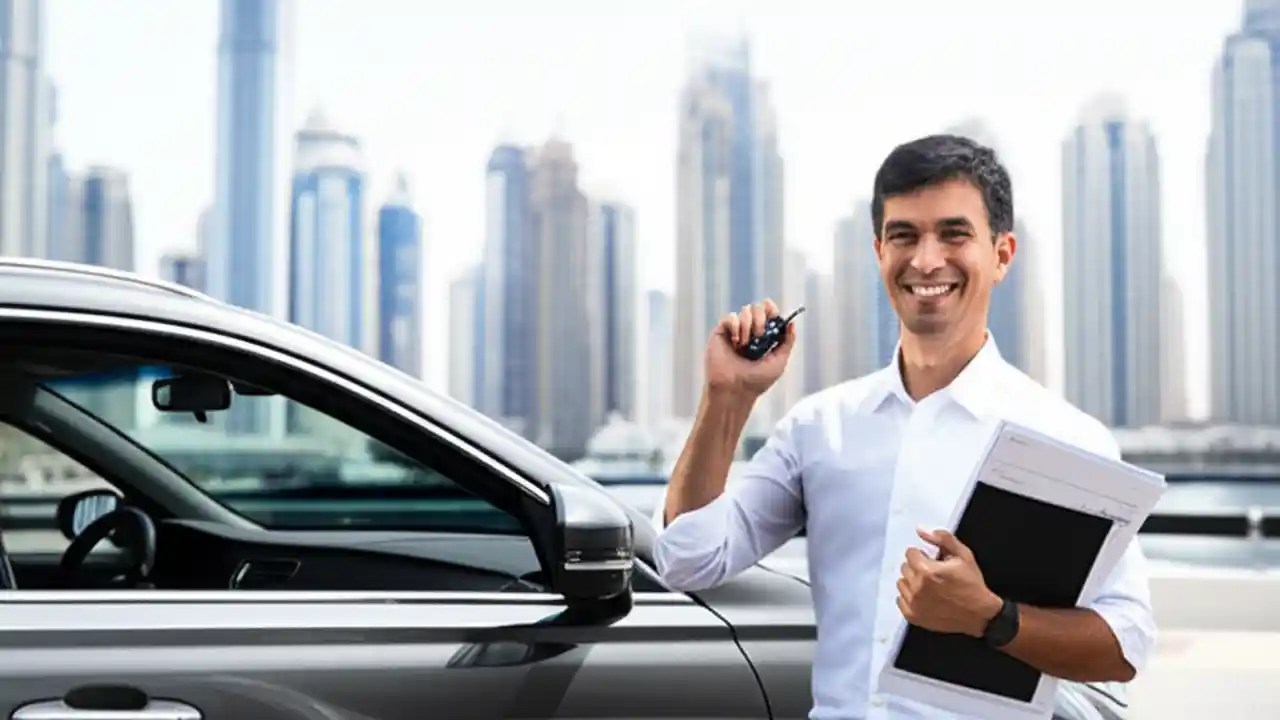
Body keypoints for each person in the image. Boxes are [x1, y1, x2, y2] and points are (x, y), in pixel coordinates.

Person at [652, 134, 1155, 719]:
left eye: (954, 234)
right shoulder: (821, 428)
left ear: (1002, 254)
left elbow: (1124, 644)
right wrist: (727, 398)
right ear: (878, 252)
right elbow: (689, 559)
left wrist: (992, 618)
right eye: (904, 236)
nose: (926, 260)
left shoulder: (1067, 438)